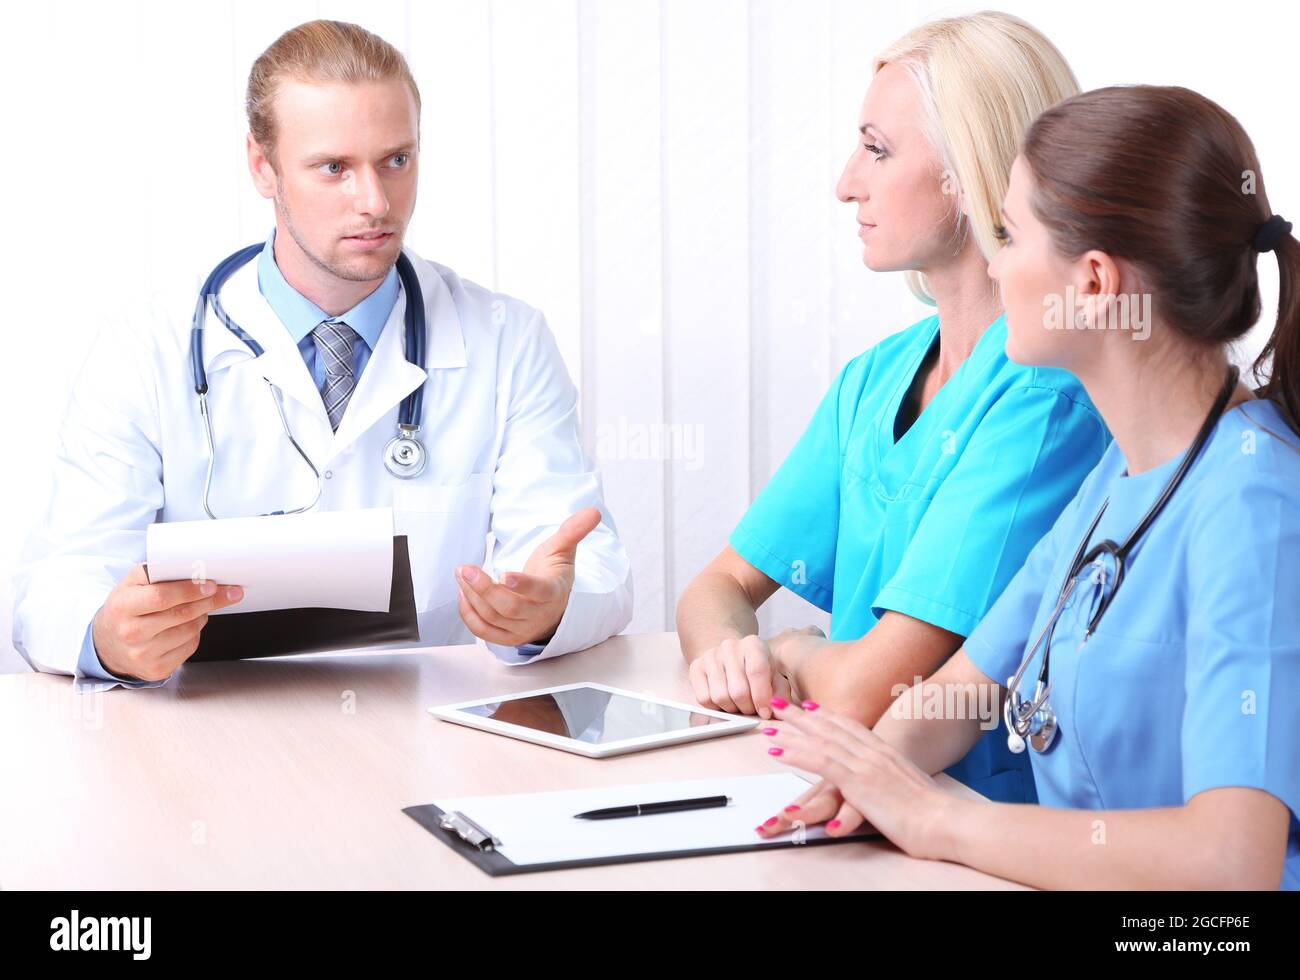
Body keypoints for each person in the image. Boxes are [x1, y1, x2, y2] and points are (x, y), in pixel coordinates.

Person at [757, 84, 1300, 889]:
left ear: (1093, 282)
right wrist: (866, 774)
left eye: (1009, 234)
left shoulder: (1255, 502)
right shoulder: (1119, 475)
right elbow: (960, 695)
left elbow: (1232, 861)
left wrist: (943, 819)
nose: (992, 258)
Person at [11, 20, 632, 692]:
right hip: (205, 745)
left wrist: (545, 610)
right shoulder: (147, 347)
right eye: (334, 167)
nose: (375, 202)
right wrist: (107, 635)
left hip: (430, 740)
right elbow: (54, 585)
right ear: (262, 166)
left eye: (396, 160)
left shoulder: (506, 340)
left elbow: (584, 561)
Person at [676, 12, 1108, 804]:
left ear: (973, 171)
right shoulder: (877, 377)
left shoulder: (1048, 397)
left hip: (972, 828)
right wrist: (731, 655)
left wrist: (798, 651)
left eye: (878, 149)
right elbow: (714, 589)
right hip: (846, 792)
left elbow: (868, 691)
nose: (847, 181)